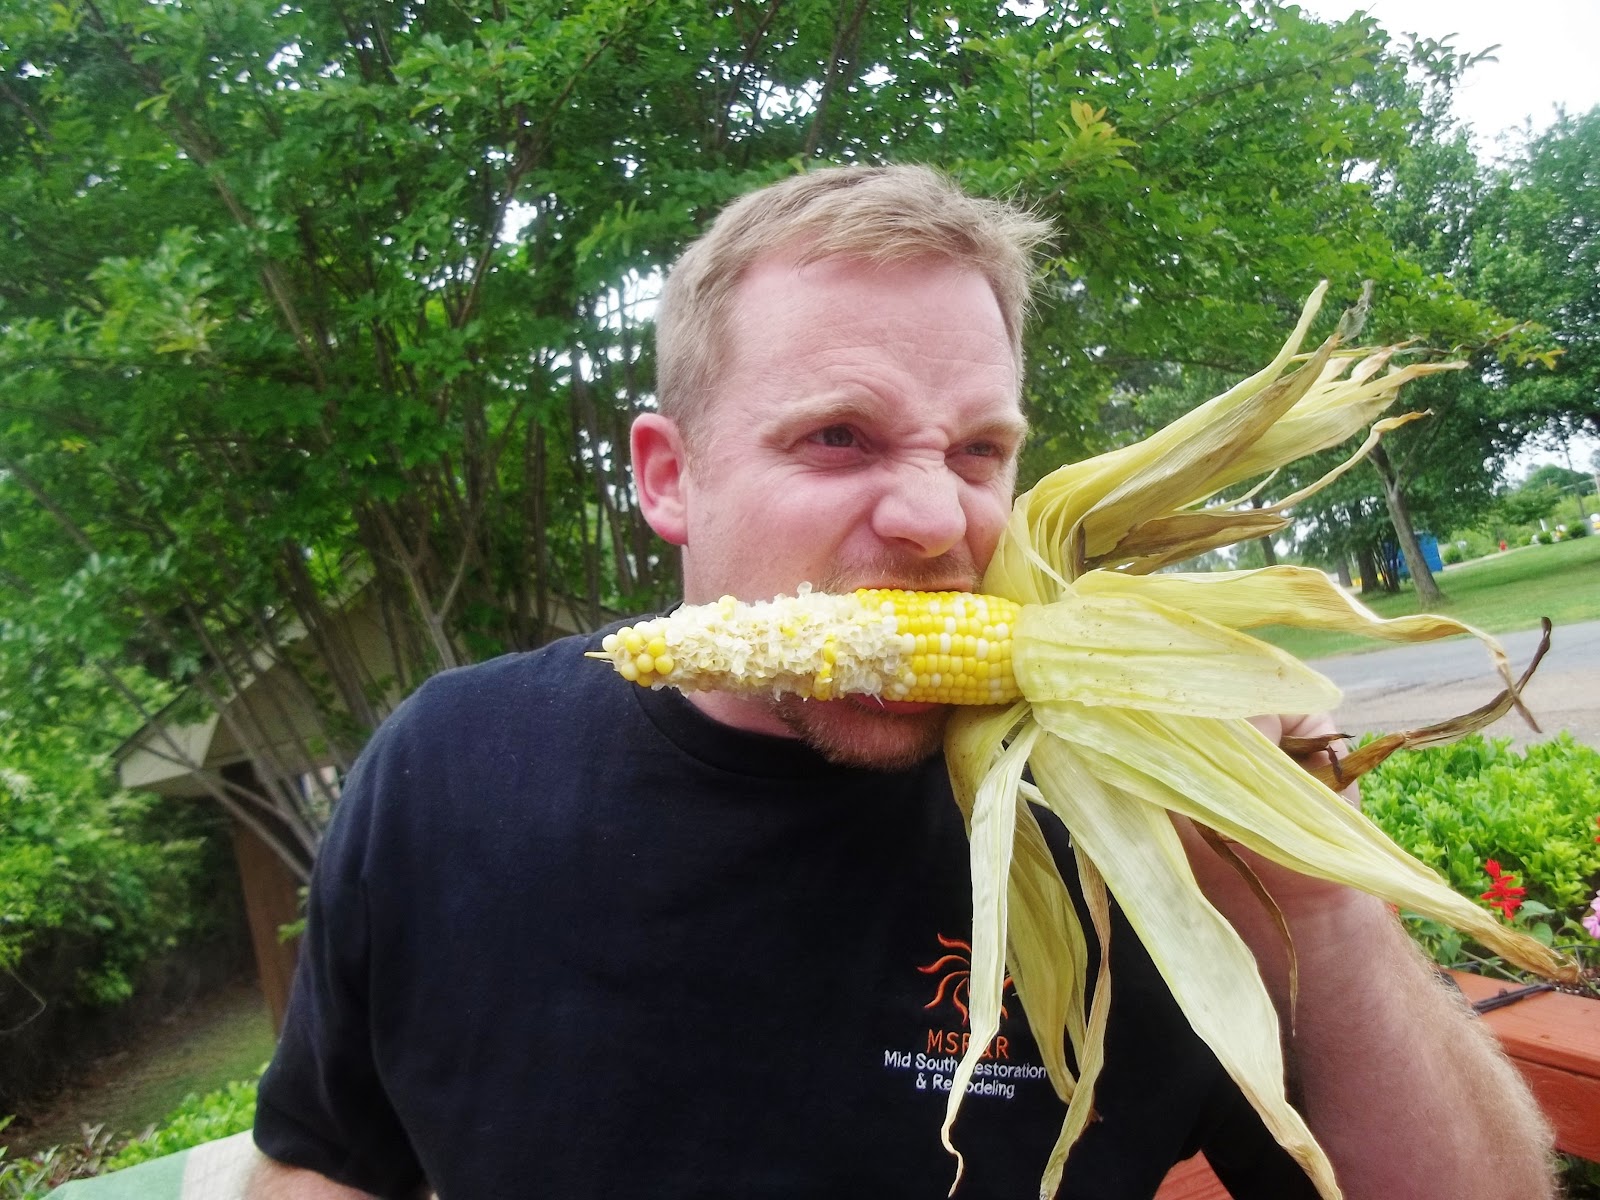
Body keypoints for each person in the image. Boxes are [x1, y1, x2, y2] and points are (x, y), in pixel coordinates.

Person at [248, 165, 1554, 1199]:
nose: (938, 517)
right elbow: (325, 1159)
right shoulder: (447, 772)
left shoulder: (1132, 832)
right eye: (838, 437)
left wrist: (1315, 903)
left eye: (981, 451)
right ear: (667, 475)